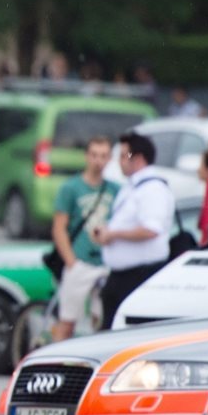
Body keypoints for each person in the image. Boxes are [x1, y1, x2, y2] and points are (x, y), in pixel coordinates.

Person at [93, 133, 174, 330]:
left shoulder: (152, 188)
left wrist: (113, 234)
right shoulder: (133, 186)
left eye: (124, 156)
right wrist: (107, 232)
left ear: (137, 158)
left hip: (139, 275)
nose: (120, 161)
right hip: (121, 276)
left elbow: (151, 229)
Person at [49, 137, 118, 341]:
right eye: (94, 155)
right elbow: (59, 228)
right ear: (87, 156)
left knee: (102, 321)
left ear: (109, 159)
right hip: (80, 260)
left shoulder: (115, 189)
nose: (98, 161)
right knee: (67, 321)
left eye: (103, 156)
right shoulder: (71, 188)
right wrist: (71, 262)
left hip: (105, 263)